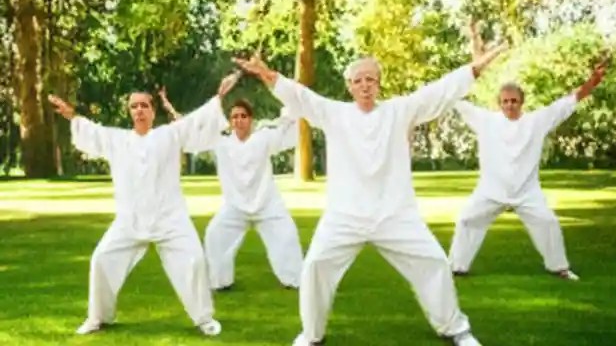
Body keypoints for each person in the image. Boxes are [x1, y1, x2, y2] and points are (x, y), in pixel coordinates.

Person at [232, 36, 507, 346]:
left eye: (371, 80)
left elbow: (440, 91)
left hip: (396, 214)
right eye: (359, 80)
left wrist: (477, 66)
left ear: (378, 84)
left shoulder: (400, 110)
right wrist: (266, 73)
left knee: (434, 262)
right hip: (344, 217)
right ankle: (311, 336)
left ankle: (456, 330)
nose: (365, 85)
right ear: (350, 85)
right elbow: (300, 96)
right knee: (315, 267)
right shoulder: (334, 113)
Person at [48, 73, 242, 338]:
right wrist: (71, 115)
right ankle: (98, 317)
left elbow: (197, 121)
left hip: (170, 218)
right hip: (130, 220)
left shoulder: (169, 135)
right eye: (134, 106)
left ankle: (204, 318)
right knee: (102, 259)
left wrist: (219, 96)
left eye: (144, 105)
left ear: (152, 112)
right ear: (130, 112)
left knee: (194, 260)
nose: (139, 110)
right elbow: (92, 133)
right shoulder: (117, 139)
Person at [448, 43, 609, 281]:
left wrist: (593, 82)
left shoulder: (536, 121)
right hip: (490, 191)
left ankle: (559, 268)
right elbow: (455, 101)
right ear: (499, 103)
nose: (509, 105)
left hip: (527, 192)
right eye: (505, 101)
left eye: (514, 101)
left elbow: (568, 102)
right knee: (466, 220)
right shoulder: (486, 121)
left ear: (521, 102)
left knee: (548, 222)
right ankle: (456, 267)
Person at [204, 98, 305, 292]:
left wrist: (290, 111)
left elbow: (286, 133)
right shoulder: (222, 144)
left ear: (250, 119)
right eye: (234, 117)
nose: (239, 120)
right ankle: (220, 281)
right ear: (230, 121)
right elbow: (195, 132)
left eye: (243, 116)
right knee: (214, 235)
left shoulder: (263, 138)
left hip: (267, 204)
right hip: (234, 207)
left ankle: (294, 279)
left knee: (287, 236)